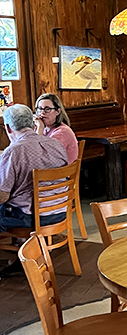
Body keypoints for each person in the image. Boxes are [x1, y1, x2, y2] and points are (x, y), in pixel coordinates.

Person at [0, 104, 68, 274]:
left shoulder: (13, 152)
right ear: (33, 123)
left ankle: (24, 257)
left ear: (7, 128)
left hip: (32, 218)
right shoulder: (55, 144)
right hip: (60, 211)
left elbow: (2, 196)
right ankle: (25, 255)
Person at [33, 92, 79, 163]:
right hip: (49, 169)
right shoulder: (43, 128)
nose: (42, 113)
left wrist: (40, 128)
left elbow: (39, 154)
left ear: (58, 111)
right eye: (39, 109)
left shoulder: (63, 131)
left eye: (47, 109)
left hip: (60, 172)